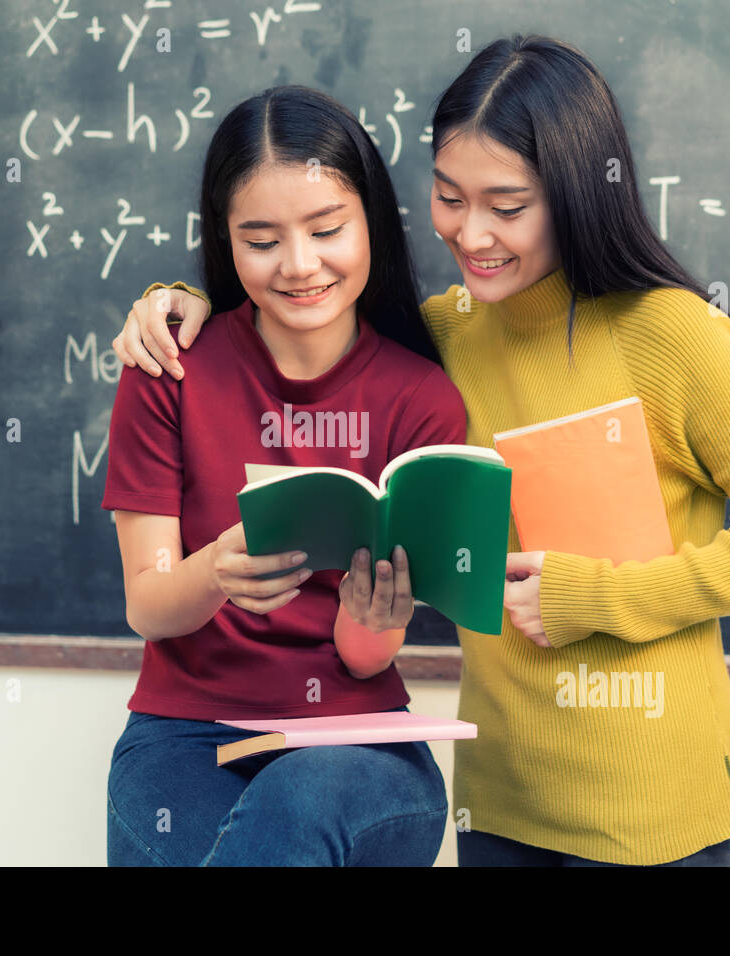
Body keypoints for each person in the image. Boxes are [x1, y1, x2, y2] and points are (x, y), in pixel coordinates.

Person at [111, 35, 730, 867]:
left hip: (653, 805)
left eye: (508, 204)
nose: (472, 232)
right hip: (500, 800)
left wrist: (591, 597)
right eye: (451, 197)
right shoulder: (447, 333)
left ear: (573, 194)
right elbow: (304, 309)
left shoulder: (674, 334)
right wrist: (170, 300)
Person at [101, 85, 469, 866]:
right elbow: (150, 606)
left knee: (298, 803)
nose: (301, 266)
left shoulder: (423, 397)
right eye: (261, 239)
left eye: (327, 229)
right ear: (225, 242)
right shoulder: (169, 367)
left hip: (359, 738)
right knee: (262, 836)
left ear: (370, 220)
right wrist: (216, 572)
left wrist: (372, 617)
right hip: (187, 730)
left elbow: (366, 659)